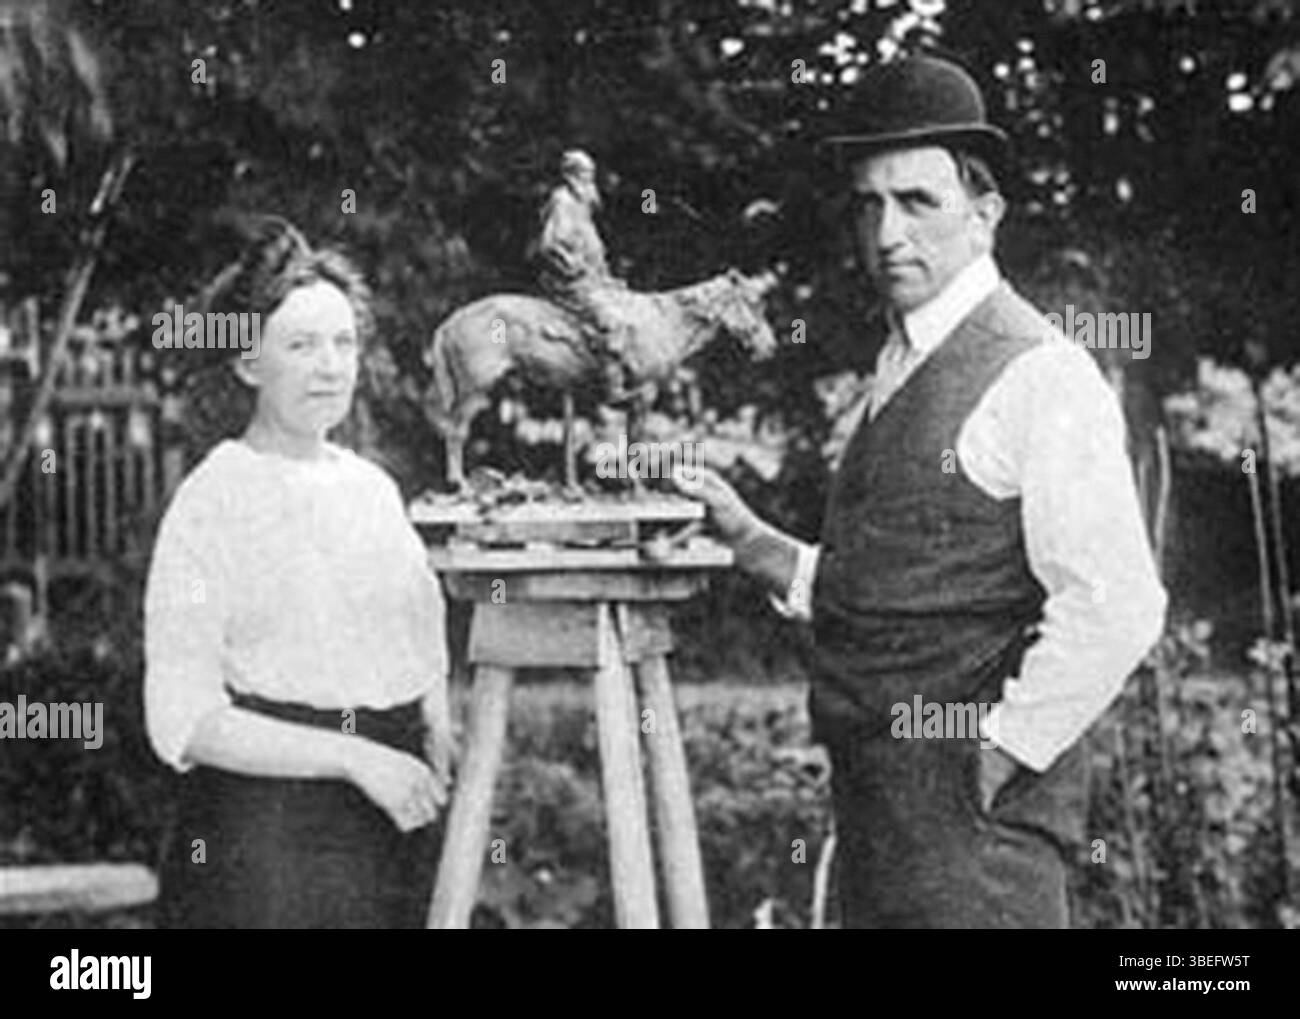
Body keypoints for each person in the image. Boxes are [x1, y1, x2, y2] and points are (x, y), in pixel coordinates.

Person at [677, 56, 1167, 928]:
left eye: (918, 202)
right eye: (868, 204)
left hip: (974, 851)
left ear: (985, 214)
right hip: (881, 827)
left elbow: (1118, 603)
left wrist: (995, 755)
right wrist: (755, 540)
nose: (888, 232)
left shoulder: (1042, 375)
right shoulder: (899, 365)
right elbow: (903, 590)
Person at [144, 217, 452, 928]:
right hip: (266, 848)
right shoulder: (212, 501)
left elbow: (420, 638)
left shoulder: (373, 490)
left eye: (344, 343)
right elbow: (183, 720)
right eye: (302, 344)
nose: (330, 366)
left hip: (392, 831)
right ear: (249, 364)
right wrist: (355, 758)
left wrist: (434, 718)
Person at [533, 148, 634, 400]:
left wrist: (603, 275)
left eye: (591, 174)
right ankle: (610, 387)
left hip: (589, 279)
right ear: (571, 175)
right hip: (567, 281)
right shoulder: (563, 201)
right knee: (612, 321)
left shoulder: (583, 205)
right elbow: (550, 244)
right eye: (585, 174)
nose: (590, 179)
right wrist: (576, 267)